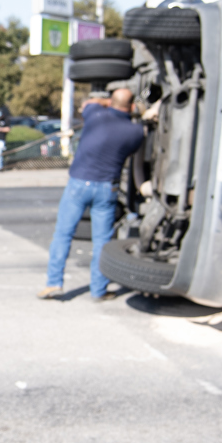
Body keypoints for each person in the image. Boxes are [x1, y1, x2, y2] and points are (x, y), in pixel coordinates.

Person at [39, 85, 145, 301]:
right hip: (106, 188)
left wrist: (107, 103)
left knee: (62, 234)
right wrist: (142, 113)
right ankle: (99, 290)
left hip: (78, 184)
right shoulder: (135, 132)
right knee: (101, 242)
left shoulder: (95, 115)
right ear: (132, 106)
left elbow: (88, 103)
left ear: (111, 102)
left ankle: (54, 283)